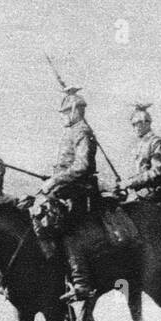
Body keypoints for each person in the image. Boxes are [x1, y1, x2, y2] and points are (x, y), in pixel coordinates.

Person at [33, 86, 103, 301]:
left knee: (66, 229)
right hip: (67, 188)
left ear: (75, 111)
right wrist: (52, 178)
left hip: (80, 191)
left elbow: (82, 166)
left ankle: (81, 282)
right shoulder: (71, 131)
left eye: (64, 112)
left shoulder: (82, 131)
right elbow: (66, 166)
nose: (62, 116)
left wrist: (55, 180)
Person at [122, 103, 161, 205]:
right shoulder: (142, 144)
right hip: (146, 194)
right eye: (133, 125)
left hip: (160, 196)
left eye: (136, 124)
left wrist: (131, 182)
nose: (135, 128)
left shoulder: (157, 144)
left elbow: (156, 172)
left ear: (146, 124)